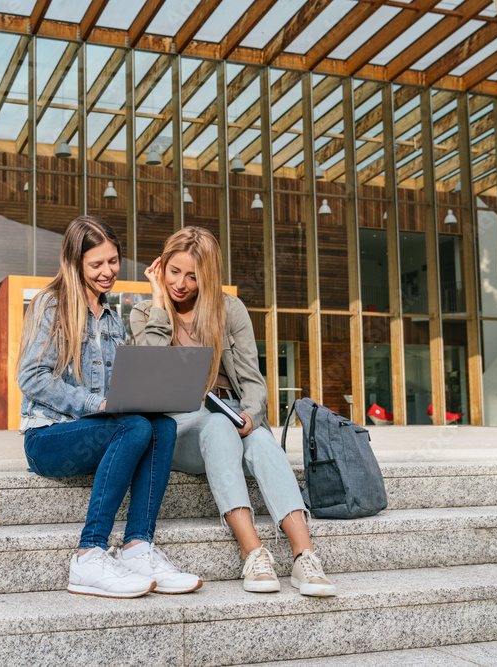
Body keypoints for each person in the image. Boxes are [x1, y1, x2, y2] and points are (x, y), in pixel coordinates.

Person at [129, 226, 336, 597]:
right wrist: (158, 299)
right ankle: (253, 551)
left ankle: (305, 556)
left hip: (230, 411)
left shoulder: (229, 309)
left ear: (208, 276)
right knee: (217, 427)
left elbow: (253, 380)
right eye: (173, 272)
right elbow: (151, 376)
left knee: (260, 442)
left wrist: (252, 416)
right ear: (161, 269)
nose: (181, 283)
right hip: (179, 425)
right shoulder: (145, 313)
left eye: (193, 276)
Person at [17, 215, 202, 599]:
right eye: (96, 264)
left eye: (113, 261)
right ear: (75, 263)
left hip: (99, 431)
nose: (108, 272)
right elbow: (33, 376)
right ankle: (89, 554)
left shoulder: (114, 319)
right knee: (133, 427)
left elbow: (125, 385)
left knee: (162, 425)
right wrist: (95, 403)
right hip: (48, 437)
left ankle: (137, 548)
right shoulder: (50, 305)